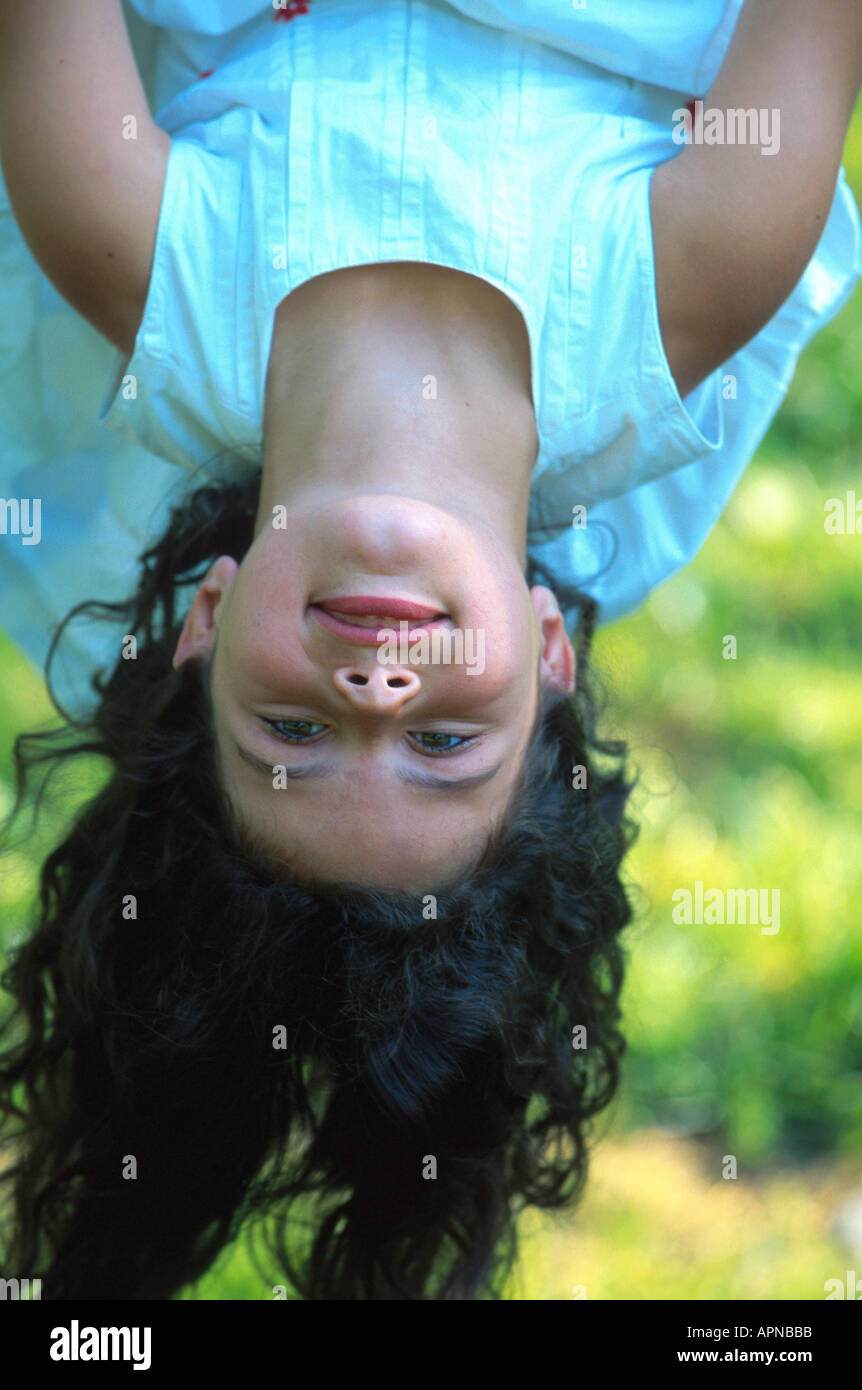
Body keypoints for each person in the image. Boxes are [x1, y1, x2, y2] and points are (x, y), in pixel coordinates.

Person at [0, 0, 859, 1299]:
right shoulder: (698, 284)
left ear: (204, 628)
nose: (377, 689)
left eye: (294, 734)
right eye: (443, 744)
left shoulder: (127, 253)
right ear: (549, 653)